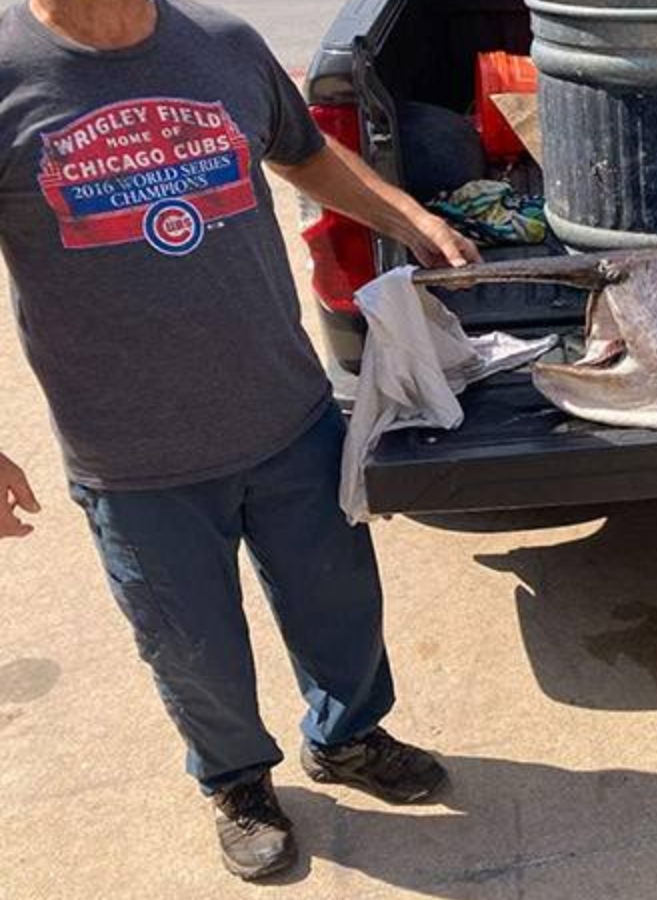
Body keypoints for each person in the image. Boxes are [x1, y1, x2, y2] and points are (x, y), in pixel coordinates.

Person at [0, 0, 484, 881]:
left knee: (340, 606)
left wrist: (407, 218)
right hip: (132, 457)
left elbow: (303, 152)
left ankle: (346, 739)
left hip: (286, 414)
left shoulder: (221, 45)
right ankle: (237, 784)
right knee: (192, 648)